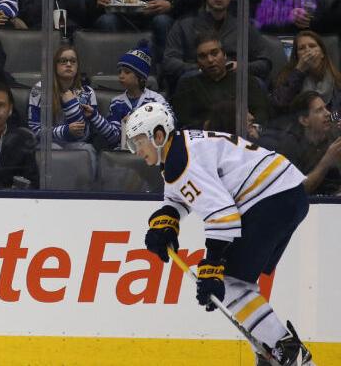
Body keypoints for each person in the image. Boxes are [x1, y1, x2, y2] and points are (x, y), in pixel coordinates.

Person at [125, 104, 313, 365]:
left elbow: (222, 214)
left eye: (139, 142)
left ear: (158, 136)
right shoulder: (179, 149)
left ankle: (288, 351)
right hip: (284, 194)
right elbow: (180, 194)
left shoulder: (180, 160)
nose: (137, 151)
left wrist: (213, 263)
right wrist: (167, 221)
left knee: (230, 283)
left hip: (272, 199)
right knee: (239, 284)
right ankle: (272, 350)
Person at [162, 0, 273, 90]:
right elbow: (169, 62)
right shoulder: (183, 25)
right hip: (198, 85)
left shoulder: (244, 27)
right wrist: (200, 68)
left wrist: (241, 67)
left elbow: (265, 62)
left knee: (257, 84)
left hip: (234, 85)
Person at [28, 45, 111, 161]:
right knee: (54, 148)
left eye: (73, 61)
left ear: (77, 66)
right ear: (54, 65)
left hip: (76, 144)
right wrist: (65, 131)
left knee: (87, 149)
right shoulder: (40, 89)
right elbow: (34, 130)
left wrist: (71, 104)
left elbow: (84, 135)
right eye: (63, 61)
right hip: (48, 144)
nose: (68, 64)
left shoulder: (87, 92)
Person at [171, 34, 271, 129]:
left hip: (243, 137)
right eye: (203, 56)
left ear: (224, 55)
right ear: (197, 62)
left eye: (214, 53)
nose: (210, 60)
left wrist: (255, 128)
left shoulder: (246, 81)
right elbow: (183, 121)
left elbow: (261, 112)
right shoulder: (187, 85)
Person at [274, 91, 341, 195]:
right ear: (304, 120)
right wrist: (327, 161)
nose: (328, 113)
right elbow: (297, 191)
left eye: (326, 108)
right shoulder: (289, 145)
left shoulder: (332, 136)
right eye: (319, 110)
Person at [105, 42, 170, 148]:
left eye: (127, 72)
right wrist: (95, 116)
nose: (121, 76)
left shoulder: (156, 99)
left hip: (151, 153)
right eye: (120, 71)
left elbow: (171, 123)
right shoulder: (116, 102)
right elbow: (113, 137)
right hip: (122, 154)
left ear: (141, 77)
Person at [271, 30, 341, 113]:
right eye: (301, 48)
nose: (307, 51)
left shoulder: (337, 79)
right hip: (299, 123)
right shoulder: (286, 76)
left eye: (312, 46)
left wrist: (332, 120)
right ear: (297, 56)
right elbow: (279, 104)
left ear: (322, 54)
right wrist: (299, 70)